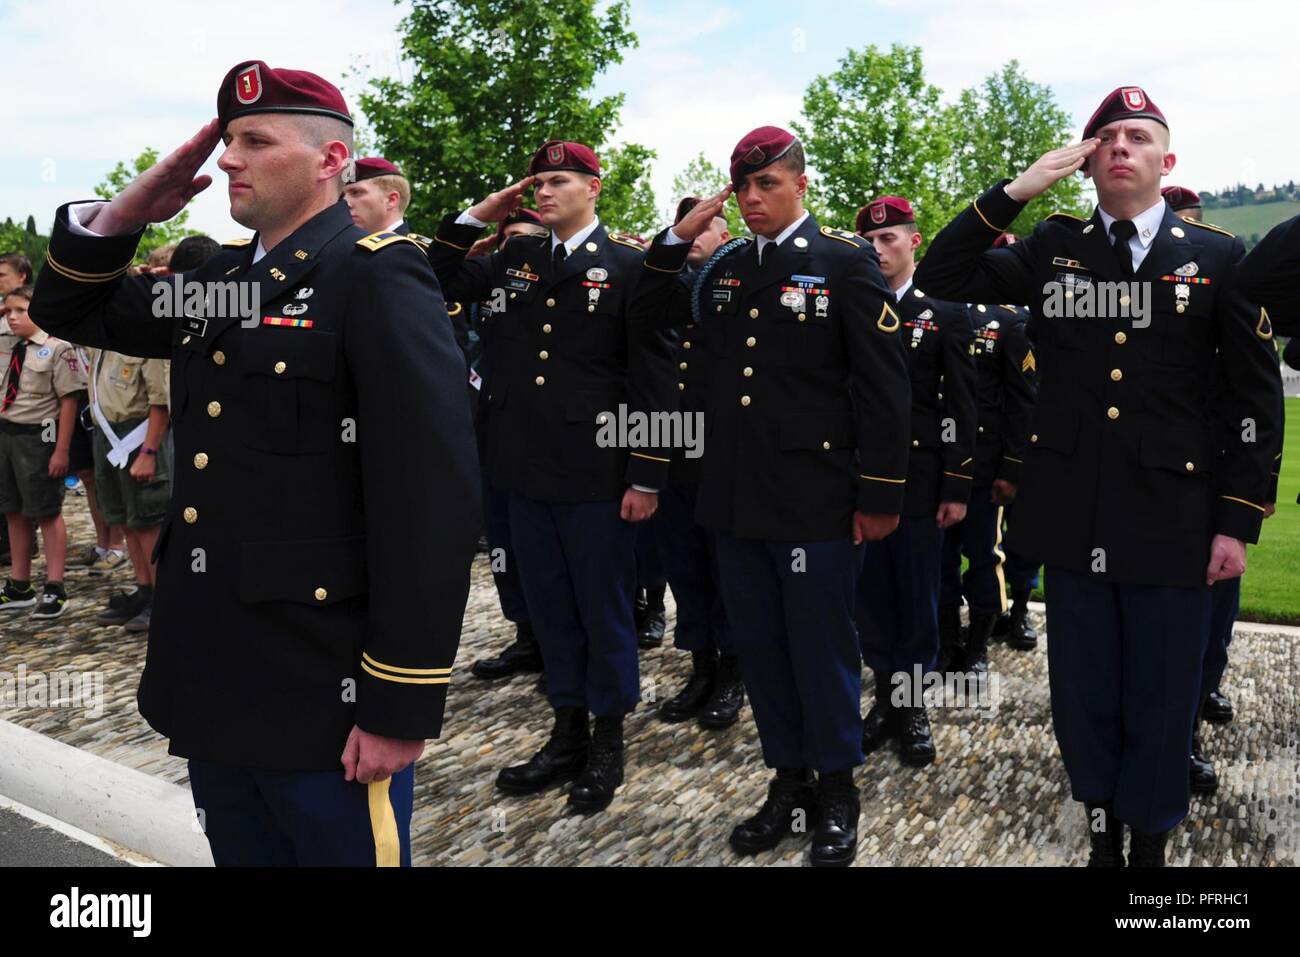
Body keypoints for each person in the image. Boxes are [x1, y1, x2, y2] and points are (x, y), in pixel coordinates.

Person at [29, 60, 480, 866]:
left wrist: (399, 701)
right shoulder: (222, 281)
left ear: (331, 161)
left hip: (324, 693)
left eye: (255, 140)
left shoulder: (377, 277)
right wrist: (134, 207)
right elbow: (69, 307)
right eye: (228, 140)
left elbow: (430, 500)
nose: (229, 158)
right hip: (217, 676)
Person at [914, 86, 1282, 866]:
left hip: (1174, 514)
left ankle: (1148, 835)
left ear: (1165, 160)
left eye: (1138, 136)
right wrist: (1017, 190)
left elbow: (1253, 397)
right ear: (1087, 161)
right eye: (1107, 136)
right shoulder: (1053, 248)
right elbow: (943, 273)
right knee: (1083, 690)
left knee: (1163, 688)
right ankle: (1101, 821)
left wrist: (1237, 520)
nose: (1121, 146)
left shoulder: (1215, 256)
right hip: (1073, 510)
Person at [632, 127, 912, 866]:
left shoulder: (844, 267)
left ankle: (838, 788)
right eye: (744, 188)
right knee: (760, 650)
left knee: (820, 651)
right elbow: (641, 311)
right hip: (733, 500)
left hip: (814, 501)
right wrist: (676, 237)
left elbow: (885, 390)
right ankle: (787, 781)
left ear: (800, 185)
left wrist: (881, 493)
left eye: (768, 186)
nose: (753, 199)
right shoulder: (723, 271)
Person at [426, 139, 677, 815]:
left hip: (597, 474)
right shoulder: (514, 258)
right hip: (521, 469)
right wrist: (479, 214)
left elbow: (653, 377)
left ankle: (607, 740)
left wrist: (647, 475)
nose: (542, 190)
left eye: (558, 180)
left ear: (595, 187)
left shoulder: (629, 267)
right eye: (536, 181)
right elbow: (434, 275)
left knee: (604, 612)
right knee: (552, 612)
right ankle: (564, 728)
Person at [854, 195, 976, 767]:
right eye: (870, 241)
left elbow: (962, 405)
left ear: (913, 241)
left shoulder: (945, 313)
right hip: (860, 480)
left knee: (918, 596)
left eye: (888, 239)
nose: (878, 250)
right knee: (872, 596)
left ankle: (913, 705)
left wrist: (956, 484)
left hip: (922, 481)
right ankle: (884, 701)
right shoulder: (850, 307)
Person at [653, 196, 743, 729]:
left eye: (704, 227)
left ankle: (733, 670)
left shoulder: (735, 276)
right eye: (686, 228)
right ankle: (700, 664)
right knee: (684, 566)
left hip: (723, 448)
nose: (694, 236)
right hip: (672, 445)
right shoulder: (669, 282)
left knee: (725, 567)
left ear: (724, 231)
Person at [469, 207, 551, 684]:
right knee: (503, 541)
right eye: (506, 242)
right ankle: (526, 636)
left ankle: (557, 643)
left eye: (524, 242)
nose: (512, 252)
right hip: (491, 427)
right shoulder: (489, 288)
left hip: (541, 439)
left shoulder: (551, 292)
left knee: (541, 550)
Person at [0, 285, 85, 618]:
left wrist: (61, 450)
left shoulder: (58, 348)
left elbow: (67, 402)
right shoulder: (7, 343)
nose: (13, 317)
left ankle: (55, 586)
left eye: (20, 310)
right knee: (12, 510)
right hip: (6, 433)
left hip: (39, 436)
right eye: (7, 311)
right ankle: (19, 584)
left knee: (46, 511)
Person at [85, 345, 171, 633]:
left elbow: (160, 401)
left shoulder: (146, 342)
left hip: (137, 436)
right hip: (106, 434)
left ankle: (164, 598)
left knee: (148, 520)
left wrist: (149, 451)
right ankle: (144, 588)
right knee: (124, 519)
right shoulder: (100, 341)